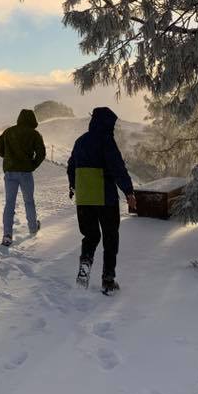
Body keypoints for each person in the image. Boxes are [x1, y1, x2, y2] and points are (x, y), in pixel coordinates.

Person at [67, 107, 136, 294]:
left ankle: (84, 271)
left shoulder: (80, 141)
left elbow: (71, 166)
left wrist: (73, 186)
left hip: (84, 198)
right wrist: (129, 192)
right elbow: (117, 167)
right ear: (107, 124)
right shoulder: (106, 141)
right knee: (110, 237)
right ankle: (108, 280)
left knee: (91, 236)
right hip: (105, 197)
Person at [0, 109, 47, 246]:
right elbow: (41, 153)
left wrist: (9, 158)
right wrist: (32, 165)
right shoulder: (34, 134)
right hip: (25, 172)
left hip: (10, 172)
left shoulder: (9, 131)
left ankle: (7, 235)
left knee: (9, 203)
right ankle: (33, 227)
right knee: (29, 201)